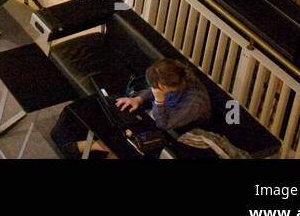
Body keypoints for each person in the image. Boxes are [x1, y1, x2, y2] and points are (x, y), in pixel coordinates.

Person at [73, 58, 213, 158]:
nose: (154, 89)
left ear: (166, 87)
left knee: (129, 140)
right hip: (156, 114)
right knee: (120, 120)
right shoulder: (173, 76)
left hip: (174, 131)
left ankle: (93, 145)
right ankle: (94, 145)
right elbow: (154, 88)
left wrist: (158, 100)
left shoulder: (194, 104)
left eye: (159, 88)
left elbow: (164, 124)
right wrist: (138, 99)